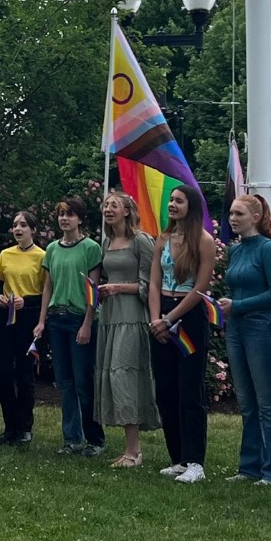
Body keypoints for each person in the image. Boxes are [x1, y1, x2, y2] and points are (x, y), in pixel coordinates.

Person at [220, 194, 271, 486]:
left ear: (255, 217)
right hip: (236, 329)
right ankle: (250, 466)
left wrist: (237, 306)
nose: (232, 218)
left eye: (238, 214)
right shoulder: (236, 250)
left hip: (262, 329)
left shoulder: (268, 249)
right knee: (247, 402)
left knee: (268, 402)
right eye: (231, 214)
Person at [148, 185, 218, 484]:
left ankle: (195, 461)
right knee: (166, 388)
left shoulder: (204, 241)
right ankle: (176, 458)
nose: (172, 205)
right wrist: (155, 319)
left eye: (179, 201)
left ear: (192, 206)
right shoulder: (162, 239)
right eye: (171, 201)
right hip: (161, 310)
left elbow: (200, 288)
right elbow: (152, 282)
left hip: (188, 315)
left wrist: (170, 318)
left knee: (190, 389)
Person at [34, 197, 105, 457]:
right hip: (57, 320)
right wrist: (42, 321)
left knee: (84, 382)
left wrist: (87, 323)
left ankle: (94, 439)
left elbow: (93, 290)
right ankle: (71, 438)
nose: (65, 219)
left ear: (80, 219)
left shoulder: (90, 248)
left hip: (78, 319)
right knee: (64, 383)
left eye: (70, 214)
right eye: (61, 214)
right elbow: (48, 287)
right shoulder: (52, 248)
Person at [95, 191, 161, 468]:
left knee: (125, 377)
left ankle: (135, 452)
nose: (108, 209)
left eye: (114, 205)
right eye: (106, 205)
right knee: (113, 376)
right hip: (110, 317)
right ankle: (128, 447)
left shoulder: (141, 241)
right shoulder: (107, 241)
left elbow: (150, 285)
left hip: (133, 317)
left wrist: (118, 287)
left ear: (127, 211)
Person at [0, 210, 44, 446]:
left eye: (23, 225)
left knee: (24, 373)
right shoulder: (5, 254)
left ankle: (25, 427)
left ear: (33, 230)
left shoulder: (42, 256)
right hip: (6, 317)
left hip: (28, 318)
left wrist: (28, 302)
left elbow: (46, 293)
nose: (18, 229)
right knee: (3, 372)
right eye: (15, 225)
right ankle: (9, 426)